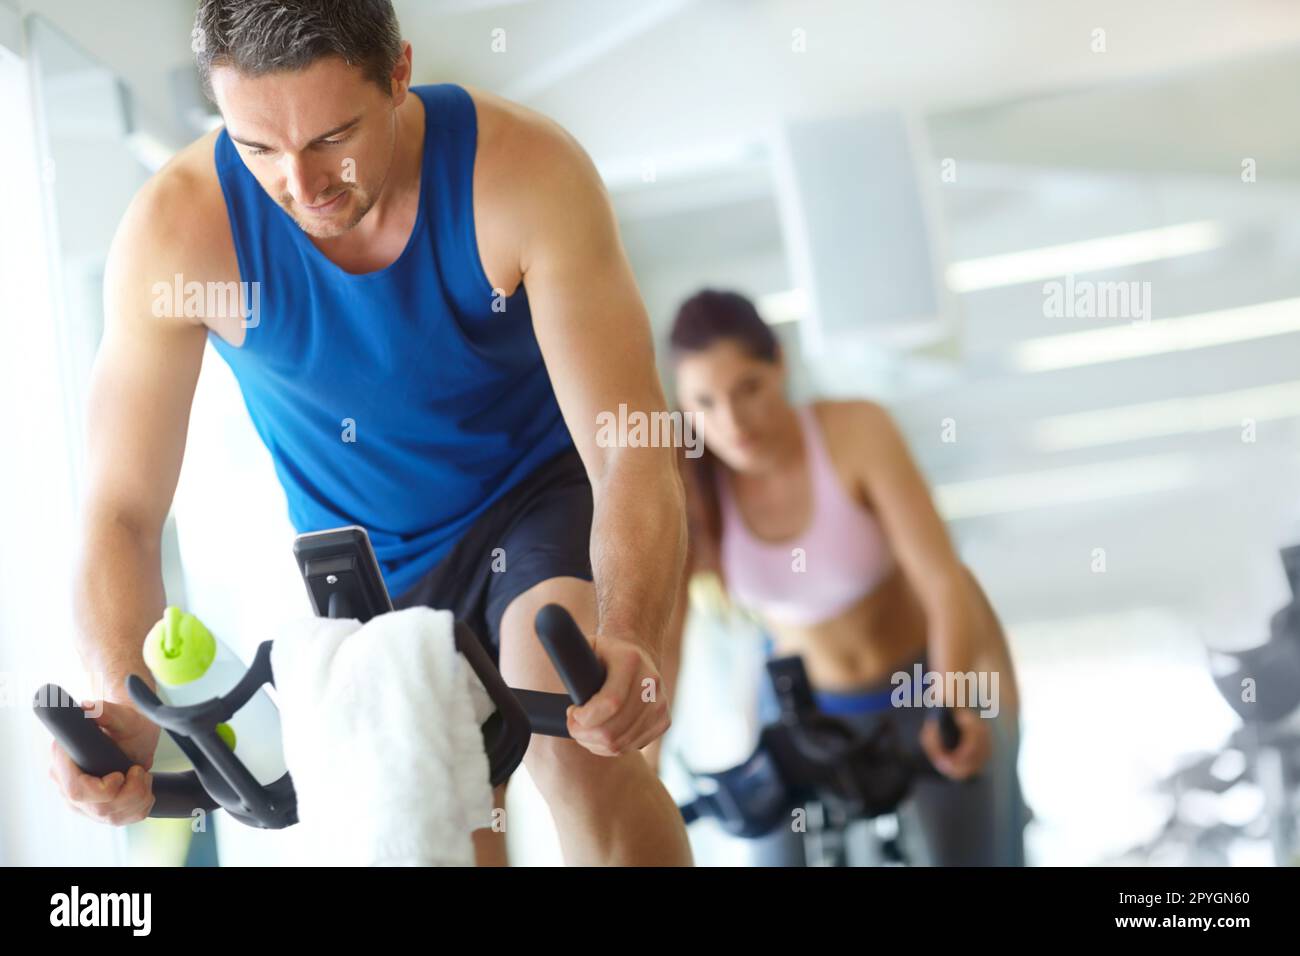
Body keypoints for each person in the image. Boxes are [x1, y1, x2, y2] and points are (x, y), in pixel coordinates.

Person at [47, 0, 692, 867]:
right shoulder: (178, 232)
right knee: (433, 821)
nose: (302, 187)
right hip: (364, 565)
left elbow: (628, 447)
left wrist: (634, 634)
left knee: (576, 739)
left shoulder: (521, 170)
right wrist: (119, 696)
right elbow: (120, 511)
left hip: (535, 501)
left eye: (331, 138)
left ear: (398, 75)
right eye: (259, 149)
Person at [665, 289, 1028, 866]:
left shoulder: (855, 429)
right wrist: (640, 761)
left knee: (973, 855)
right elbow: (668, 637)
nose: (732, 422)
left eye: (748, 389)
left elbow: (943, 579)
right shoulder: (694, 490)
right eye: (704, 404)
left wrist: (954, 702)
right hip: (805, 714)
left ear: (779, 364)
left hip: (923, 685)